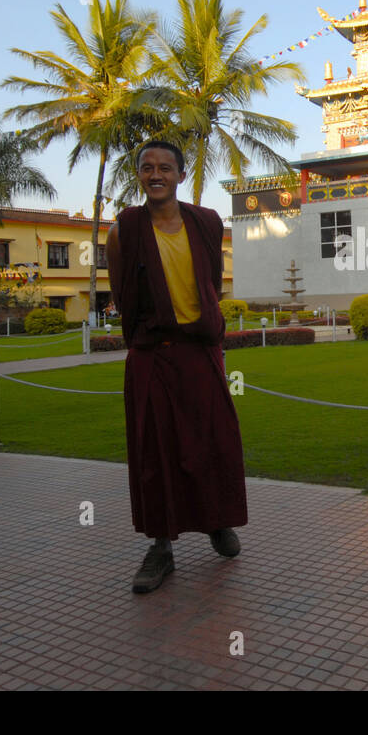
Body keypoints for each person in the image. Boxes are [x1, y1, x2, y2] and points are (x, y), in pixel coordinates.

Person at [105, 141, 247, 594]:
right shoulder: (124, 230)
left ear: (181, 175)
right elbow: (123, 293)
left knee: (213, 441)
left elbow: (211, 285)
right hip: (152, 354)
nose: (156, 174)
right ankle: (160, 547)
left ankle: (216, 522)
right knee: (155, 452)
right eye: (147, 167)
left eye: (165, 167)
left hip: (199, 350)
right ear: (139, 176)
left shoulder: (205, 222)